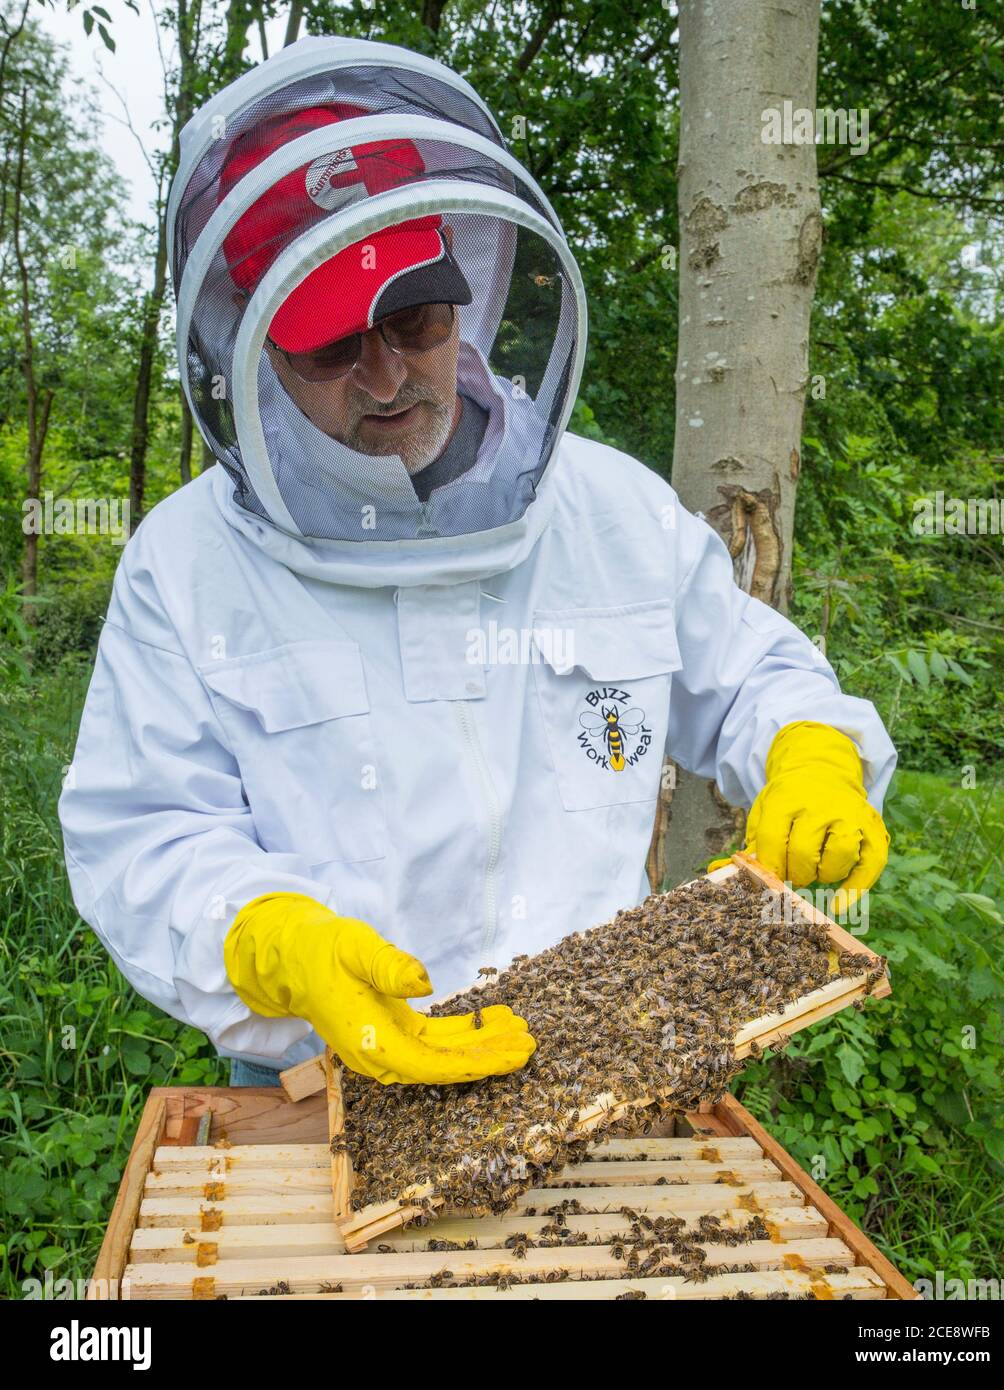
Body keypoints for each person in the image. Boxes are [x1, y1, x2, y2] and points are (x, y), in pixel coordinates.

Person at [59, 36, 896, 1089]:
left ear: (469, 287)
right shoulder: (185, 564)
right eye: (328, 344)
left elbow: (749, 679)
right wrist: (262, 936)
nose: (385, 374)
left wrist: (810, 751)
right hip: (332, 1079)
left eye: (412, 316)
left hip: (603, 1062)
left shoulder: (611, 511)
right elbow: (143, 829)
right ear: (256, 345)